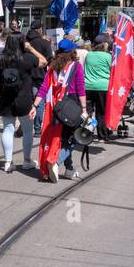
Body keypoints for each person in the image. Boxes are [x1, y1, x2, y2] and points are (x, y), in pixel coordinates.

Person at [35, 38, 87, 182]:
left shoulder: (52, 67)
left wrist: (34, 106)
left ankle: (69, 169)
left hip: (55, 108)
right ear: (72, 52)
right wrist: (84, 109)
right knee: (72, 139)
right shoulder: (76, 67)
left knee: (63, 137)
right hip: (71, 106)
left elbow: (44, 88)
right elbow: (81, 89)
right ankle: (55, 162)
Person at [0, 32, 39, 172]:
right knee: (28, 130)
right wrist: (30, 48)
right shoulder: (28, 58)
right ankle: (27, 160)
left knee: (8, 129)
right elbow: (44, 61)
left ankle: (8, 162)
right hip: (24, 99)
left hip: (5, 98)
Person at [84, 34, 113, 140]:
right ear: (105, 44)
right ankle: (102, 135)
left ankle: (87, 133)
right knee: (102, 112)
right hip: (102, 87)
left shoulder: (89, 55)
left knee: (88, 112)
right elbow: (112, 71)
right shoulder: (108, 56)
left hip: (88, 87)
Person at [27, 23, 53, 134]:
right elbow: (49, 59)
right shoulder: (45, 43)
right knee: (39, 102)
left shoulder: (25, 41)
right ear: (40, 30)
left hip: (26, 75)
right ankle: (37, 129)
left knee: (28, 101)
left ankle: (24, 127)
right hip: (40, 76)